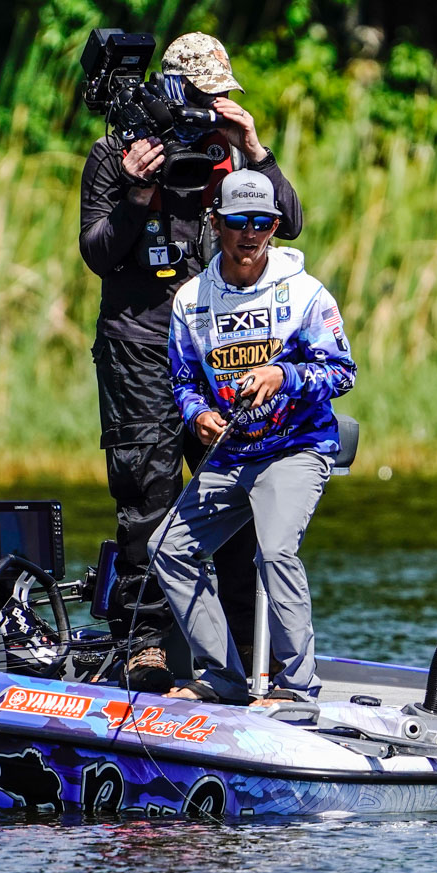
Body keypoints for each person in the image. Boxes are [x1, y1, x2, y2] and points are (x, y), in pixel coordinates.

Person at [79, 32, 303, 692]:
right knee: (148, 495)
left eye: (224, 101)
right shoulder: (113, 156)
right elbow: (97, 252)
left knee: (230, 495)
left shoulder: (227, 160)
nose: (213, 114)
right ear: (173, 93)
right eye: (205, 102)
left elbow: (286, 220)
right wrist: (139, 194)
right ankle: (145, 644)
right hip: (139, 346)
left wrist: (254, 149)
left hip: (215, 354)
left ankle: (236, 649)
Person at [151, 168, 355, 703]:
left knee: (275, 552)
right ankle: (221, 678)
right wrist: (197, 414)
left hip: (296, 448)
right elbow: (183, 378)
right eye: (238, 222)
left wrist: (282, 375)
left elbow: (343, 372)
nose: (249, 234)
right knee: (167, 549)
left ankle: (297, 688)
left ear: (275, 226)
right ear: (215, 224)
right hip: (230, 454)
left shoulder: (306, 294)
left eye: (261, 223)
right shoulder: (190, 301)